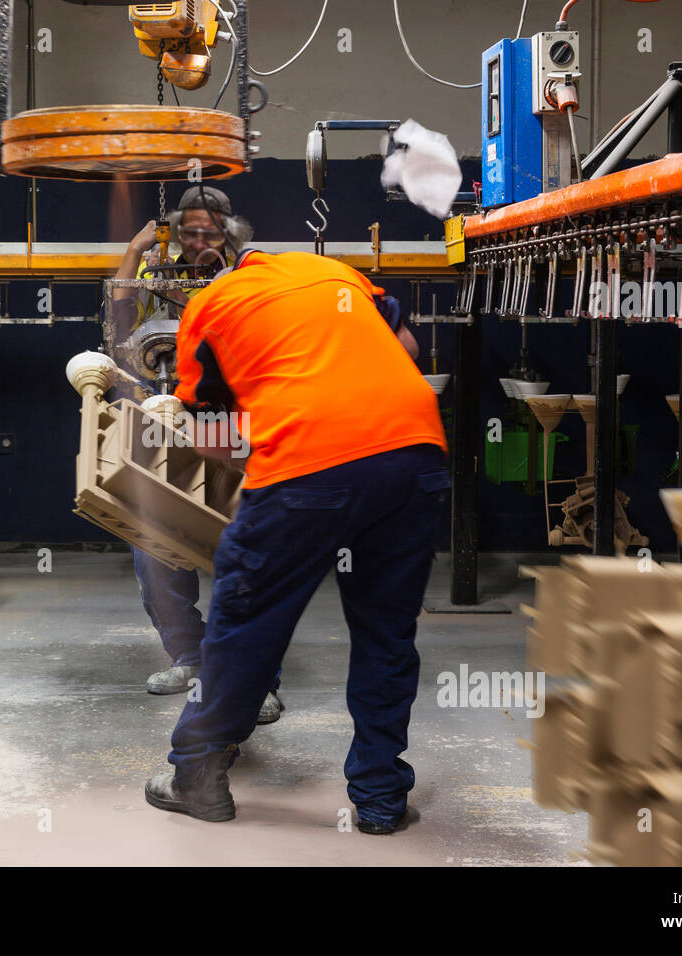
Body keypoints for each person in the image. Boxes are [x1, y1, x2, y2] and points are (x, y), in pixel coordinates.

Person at [143, 249, 449, 835]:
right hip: (413, 454)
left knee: (246, 621)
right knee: (387, 632)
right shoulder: (337, 274)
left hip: (308, 467)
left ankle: (197, 777)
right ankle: (381, 798)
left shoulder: (210, 303)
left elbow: (209, 416)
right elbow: (406, 351)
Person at [108, 188, 283, 725]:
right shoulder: (154, 278)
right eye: (191, 230)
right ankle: (189, 658)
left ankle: (256, 682)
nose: (200, 241)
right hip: (165, 423)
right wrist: (136, 252)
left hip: (231, 426)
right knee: (154, 552)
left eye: (212, 231)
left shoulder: (247, 278)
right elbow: (118, 333)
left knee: (244, 555)